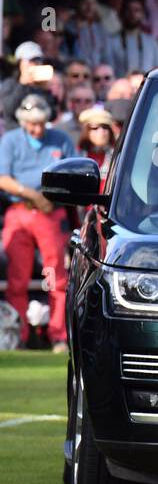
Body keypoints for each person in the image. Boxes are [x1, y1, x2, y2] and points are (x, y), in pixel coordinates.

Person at [0, 95, 75, 351]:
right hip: (21, 207)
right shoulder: (10, 140)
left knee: (55, 276)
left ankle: (58, 334)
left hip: (51, 210)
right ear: (22, 122)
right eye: (32, 123)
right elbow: (3, 179)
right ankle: (17, 335)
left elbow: (75, 173)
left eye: (42, 123)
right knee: (17, 277)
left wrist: (52, 194)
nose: (37, 128)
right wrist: (32, 194)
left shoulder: (61, 139)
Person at [108, 0, 158, 75]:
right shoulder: (111, 41)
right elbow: (108, 71)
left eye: (137, 10)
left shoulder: (152, 41)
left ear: (142, 14)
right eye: (129, 10)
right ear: (122, 13)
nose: (132, 14)